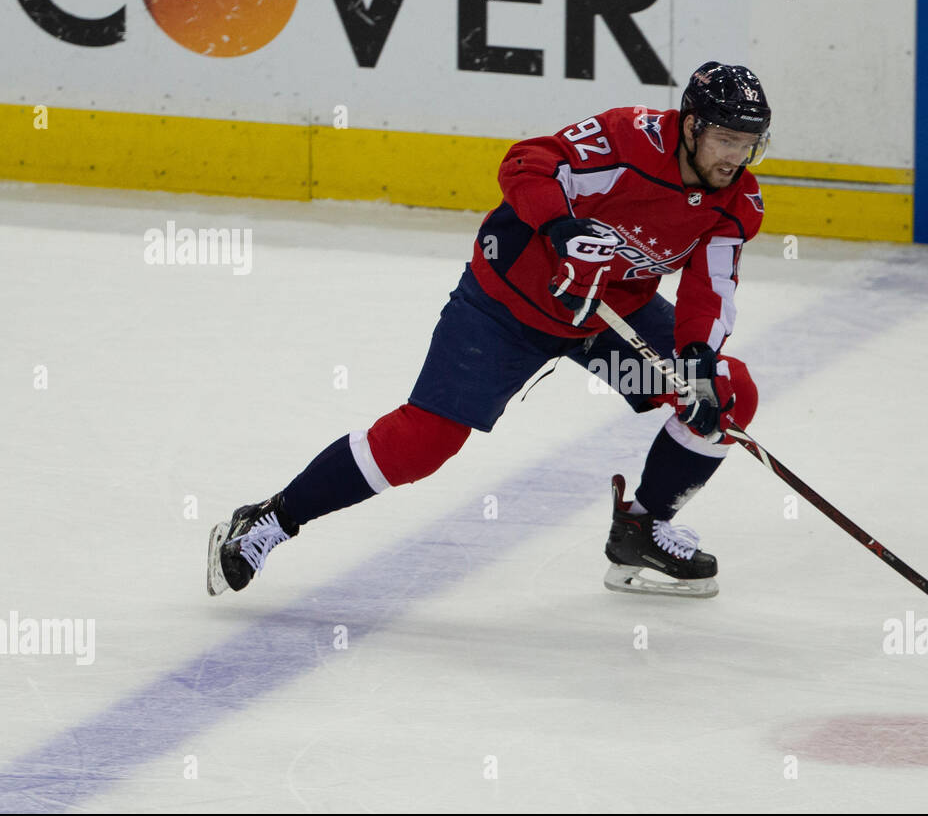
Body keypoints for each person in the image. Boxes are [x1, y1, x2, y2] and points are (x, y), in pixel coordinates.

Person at [207, 61, 771, 600]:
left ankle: (640, 530)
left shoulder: (737, 202)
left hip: (605, 319)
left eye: (749, 145)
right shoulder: (626, 140)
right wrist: (561, 228)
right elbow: (526, 163)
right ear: (690, 125)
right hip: (507, 307)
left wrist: (698, 357)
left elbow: (710, 287)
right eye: (726, 139)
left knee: (725, 390)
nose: (736, 157)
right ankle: (272, 519)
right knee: (423, 444)